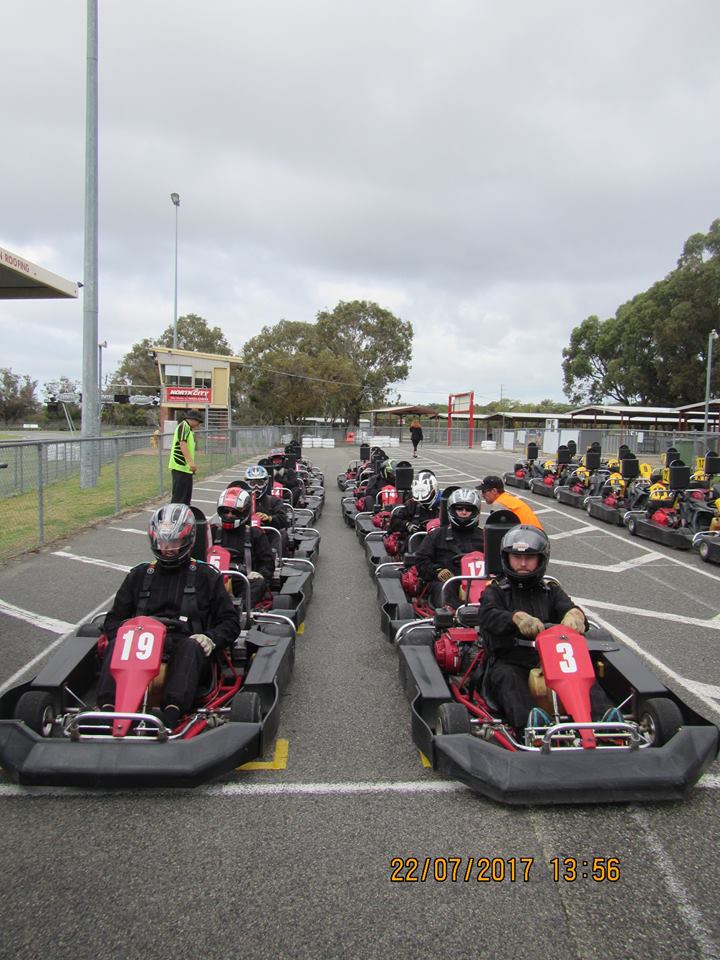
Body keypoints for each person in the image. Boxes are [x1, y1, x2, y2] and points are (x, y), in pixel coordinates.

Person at [97, 503, 240, 729]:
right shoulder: (140, 575)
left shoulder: (206, 577)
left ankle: (171, 713)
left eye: (174, 542)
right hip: (141, 646)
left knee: (191, 646)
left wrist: (210, 638)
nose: (168, 549)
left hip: (185, 646)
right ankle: (107, 709)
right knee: (116, 641)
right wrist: (125, 632)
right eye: (163, 542)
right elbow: (113, 620)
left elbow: (230, 622)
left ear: (188, 540)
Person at [477, 525, 611, 736]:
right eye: (516, 557)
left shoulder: (550, 590)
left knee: (584, 675)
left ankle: (603, 724)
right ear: (507, 558)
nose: (522, 563)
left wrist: (575, 615)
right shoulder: (495, 591)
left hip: (554, 659)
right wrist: (515, 619)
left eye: (529, 558)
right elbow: (487, 615)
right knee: (508, 678)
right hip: (511, 660)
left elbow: (568, 608)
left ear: (541, 560)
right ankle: (531, 729)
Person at [415, 488, 485, 608]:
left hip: (479, 583)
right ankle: (453, 617)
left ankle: (487, 615)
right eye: (459, 509)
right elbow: (421, 559)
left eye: (468, 509)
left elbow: (497, 563)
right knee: (447, 587)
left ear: (476, 512)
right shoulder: (437, 535)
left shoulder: (484, 537)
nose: (463, 512)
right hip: (448, 581)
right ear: (451, 510)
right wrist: (437, 571)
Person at [213, 487, 275, 605]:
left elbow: (268, 563)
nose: (229, 515)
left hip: (243, 581)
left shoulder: (255, 534)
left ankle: (240, 610)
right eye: (226, 511)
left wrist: (260, 574)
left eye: (234, 512)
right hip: (215, 580)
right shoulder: (212, 532)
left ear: (244, 513)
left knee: (259, 582)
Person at [244, 464, 291, 554]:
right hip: (246, 537)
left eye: (260, 483)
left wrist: (269, 518)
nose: (256, 487)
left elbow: (283, 519)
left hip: (268, 536)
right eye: (253, 484)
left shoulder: (274, 500)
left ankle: (275, 559)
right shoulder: (242, 502)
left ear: (266, 483)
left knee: (282, 533)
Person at [168, 410, 203, 505]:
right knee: (179, 497)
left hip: (186, 469)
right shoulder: (184, 426)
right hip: (180, 467)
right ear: (193, 420)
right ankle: (173, 518)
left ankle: (184, 516)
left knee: (186, 498)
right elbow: (182, 444)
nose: (198, 425)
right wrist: (191, 462)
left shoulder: (189, 429)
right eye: (198, 422)